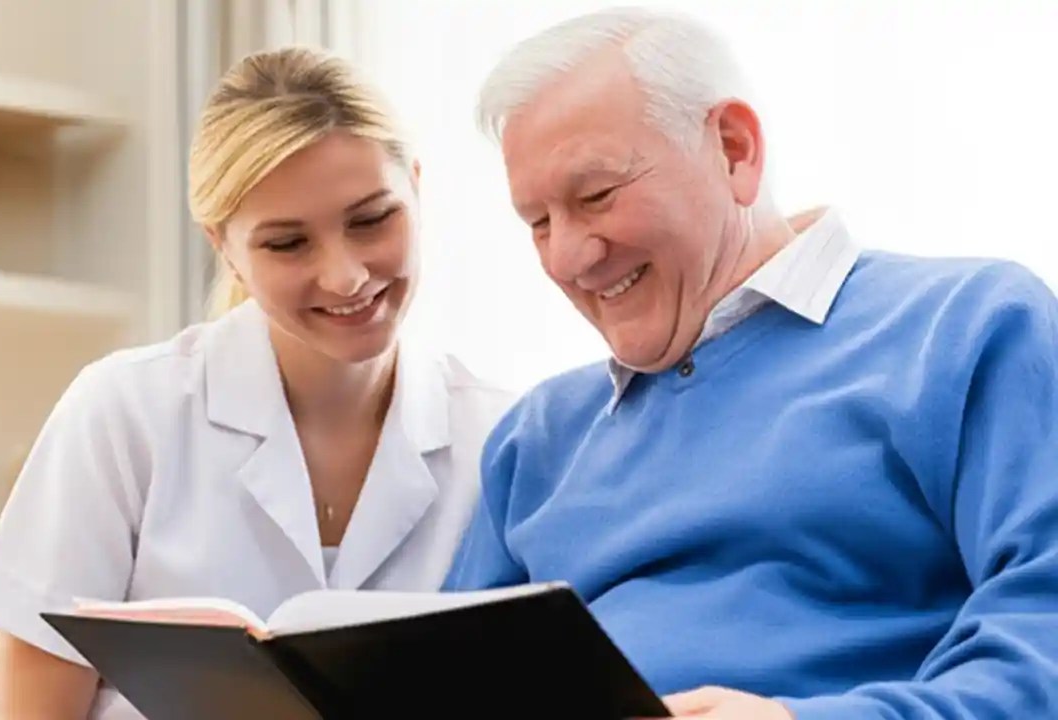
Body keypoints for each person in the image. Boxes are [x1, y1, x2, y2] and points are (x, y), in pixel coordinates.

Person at [444, 6, 1058, 719]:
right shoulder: (535, 439)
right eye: (539, 223)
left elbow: (1044, 633)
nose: (567, 257)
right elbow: (428, 677)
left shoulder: (968, 327)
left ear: (734, 150)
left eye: (597, 196)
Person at [0, 46, 516, 719]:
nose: (345, 276)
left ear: (417, 191)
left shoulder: (501, 438)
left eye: (372, 220)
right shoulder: (125, 413)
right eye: (287, 243)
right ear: (223, 246)